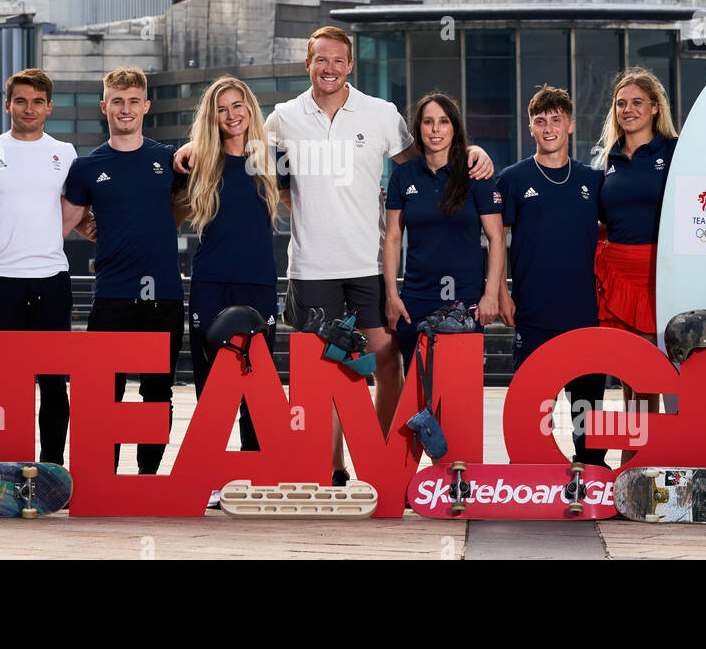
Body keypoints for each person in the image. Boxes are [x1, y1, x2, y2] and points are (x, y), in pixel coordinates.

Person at [175, 26, 492, 485]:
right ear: (308, 64)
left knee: (385, 362)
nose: (329, 68)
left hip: (368, 263)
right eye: (320, 60)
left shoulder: (380, 114)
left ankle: (379, 462)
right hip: (311, 268)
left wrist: (472, 151)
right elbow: (237, 138)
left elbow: (426, 163)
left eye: (338, 60)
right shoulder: (283, 118)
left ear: (350, 66)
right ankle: (333, 467)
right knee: (324, 372)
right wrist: (193, 145)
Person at [592, 66, 706, 463]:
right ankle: (636, 462)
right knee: (630, 375)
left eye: (637, 102)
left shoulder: (676, 150)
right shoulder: (607, 158)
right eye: (621, 103)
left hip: (662, 273)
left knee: (661, 372)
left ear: (655, 108)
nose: (628, 109)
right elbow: (604, 218)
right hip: (616, 273)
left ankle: (662, 458)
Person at [62, 67, 187, 475]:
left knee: (158, 392)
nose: (126, 108)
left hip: (164, 296)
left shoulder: (168, 159)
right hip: (112, 297)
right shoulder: (86, 166)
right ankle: (104, 480)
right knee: (104, 393)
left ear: (146, 106)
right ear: (104, 107)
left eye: (134, 100)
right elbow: (63, 221)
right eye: (117, 101)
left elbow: (193, 197)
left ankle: (147, 479)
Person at [496, 85, 606, 467]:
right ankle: (533, 476)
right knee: (533, 413)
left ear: (570, 125)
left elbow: (616, 230)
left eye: (556, 120)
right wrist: (501, 293)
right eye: (540, 121)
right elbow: (496, 239)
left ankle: (591, 474)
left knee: (587, 413)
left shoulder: (592, 180)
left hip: (584, 315)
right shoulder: (512, 179)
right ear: (530, 128)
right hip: (532, 314)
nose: (548, 128)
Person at [0, 68, 77, 466]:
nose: (29, 108)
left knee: (53, 383)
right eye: (21, 101)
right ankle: (6, 463)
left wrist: (58, 232)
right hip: (1, 280)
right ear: (8, 105)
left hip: (52, 280)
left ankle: (52, 467)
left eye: (37, 101)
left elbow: (76, 209)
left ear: (49, 107)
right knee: (3, 384)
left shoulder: (64, 153)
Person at [185, 76, 285, 459]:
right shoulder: (197, 161)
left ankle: (252, 467)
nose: (231, 115)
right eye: (221, 109)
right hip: (210, 282)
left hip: (258, 282)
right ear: (212, 117)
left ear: (250, 108)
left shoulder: (274, 160)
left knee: (256, 382)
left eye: (237, 105)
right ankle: (207, 468)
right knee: (210, 382)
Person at [382, 92, 505, 369]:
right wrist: (392, 296)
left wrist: (490, 295)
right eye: (428, 122)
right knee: (417, 386)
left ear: (454, 127)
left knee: (458, 385)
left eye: (443, 121)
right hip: (416, 299)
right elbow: (392, 239)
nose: (435, 129)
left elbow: (496, 238)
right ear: (418, 128)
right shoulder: (403, 175)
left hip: (466, 300)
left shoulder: (475, 173)